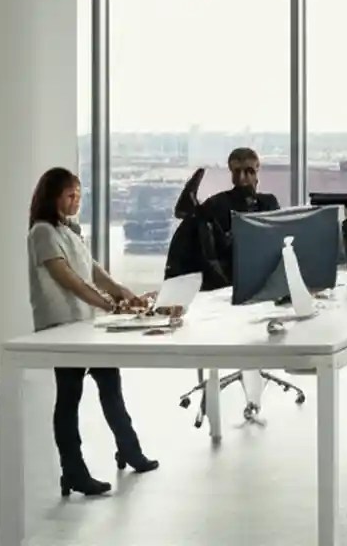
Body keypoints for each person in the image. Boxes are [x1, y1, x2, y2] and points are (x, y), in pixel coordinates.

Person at [27, 167, 158, 498]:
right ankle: (73, 471)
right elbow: (66, 277)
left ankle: (130, 450)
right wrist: (108, 304)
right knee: (69, 399)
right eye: (70, 195)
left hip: (86, 326)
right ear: (52, 197)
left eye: (79, 195)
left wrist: (125, 293)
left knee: (111, 386)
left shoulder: (69, 231)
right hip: (63, 328)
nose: (76, 201)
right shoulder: (42, 232)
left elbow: (95, 272)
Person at [166, 148, 282, 290]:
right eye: (237, 172)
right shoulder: (218, 203)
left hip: (263, 272)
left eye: (249, 171)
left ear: (257, 169)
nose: (242, 178)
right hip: (228, 275)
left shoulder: (268, 202)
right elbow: (185, 212)